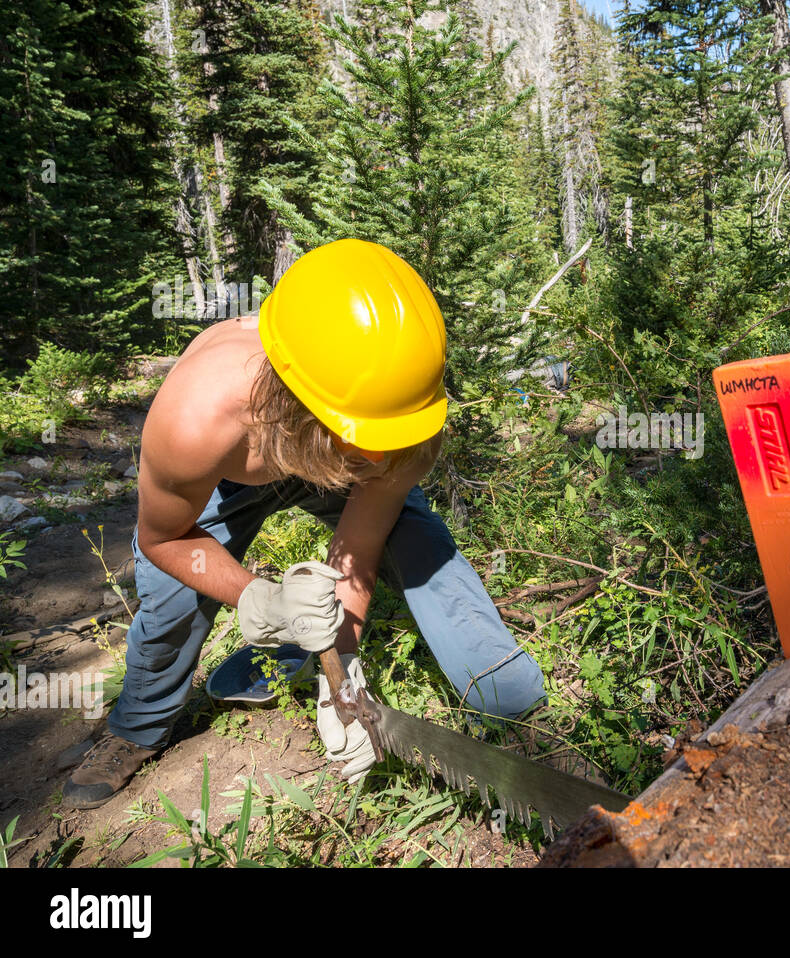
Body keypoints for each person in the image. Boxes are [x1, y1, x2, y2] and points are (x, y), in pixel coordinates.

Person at [64, 238, 545, 809]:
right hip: (234, 466)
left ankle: (508, 696)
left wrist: (339, 672)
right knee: (172, 603)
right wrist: (260, 600)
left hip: (310, 443)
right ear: (295, 398)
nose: (379, 457)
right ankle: (135, 727)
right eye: (366, 437)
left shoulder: (401, 415)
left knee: (420, 546)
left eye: (390, 438)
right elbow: (163, 538)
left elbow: (359, 544)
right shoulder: (196, 420)